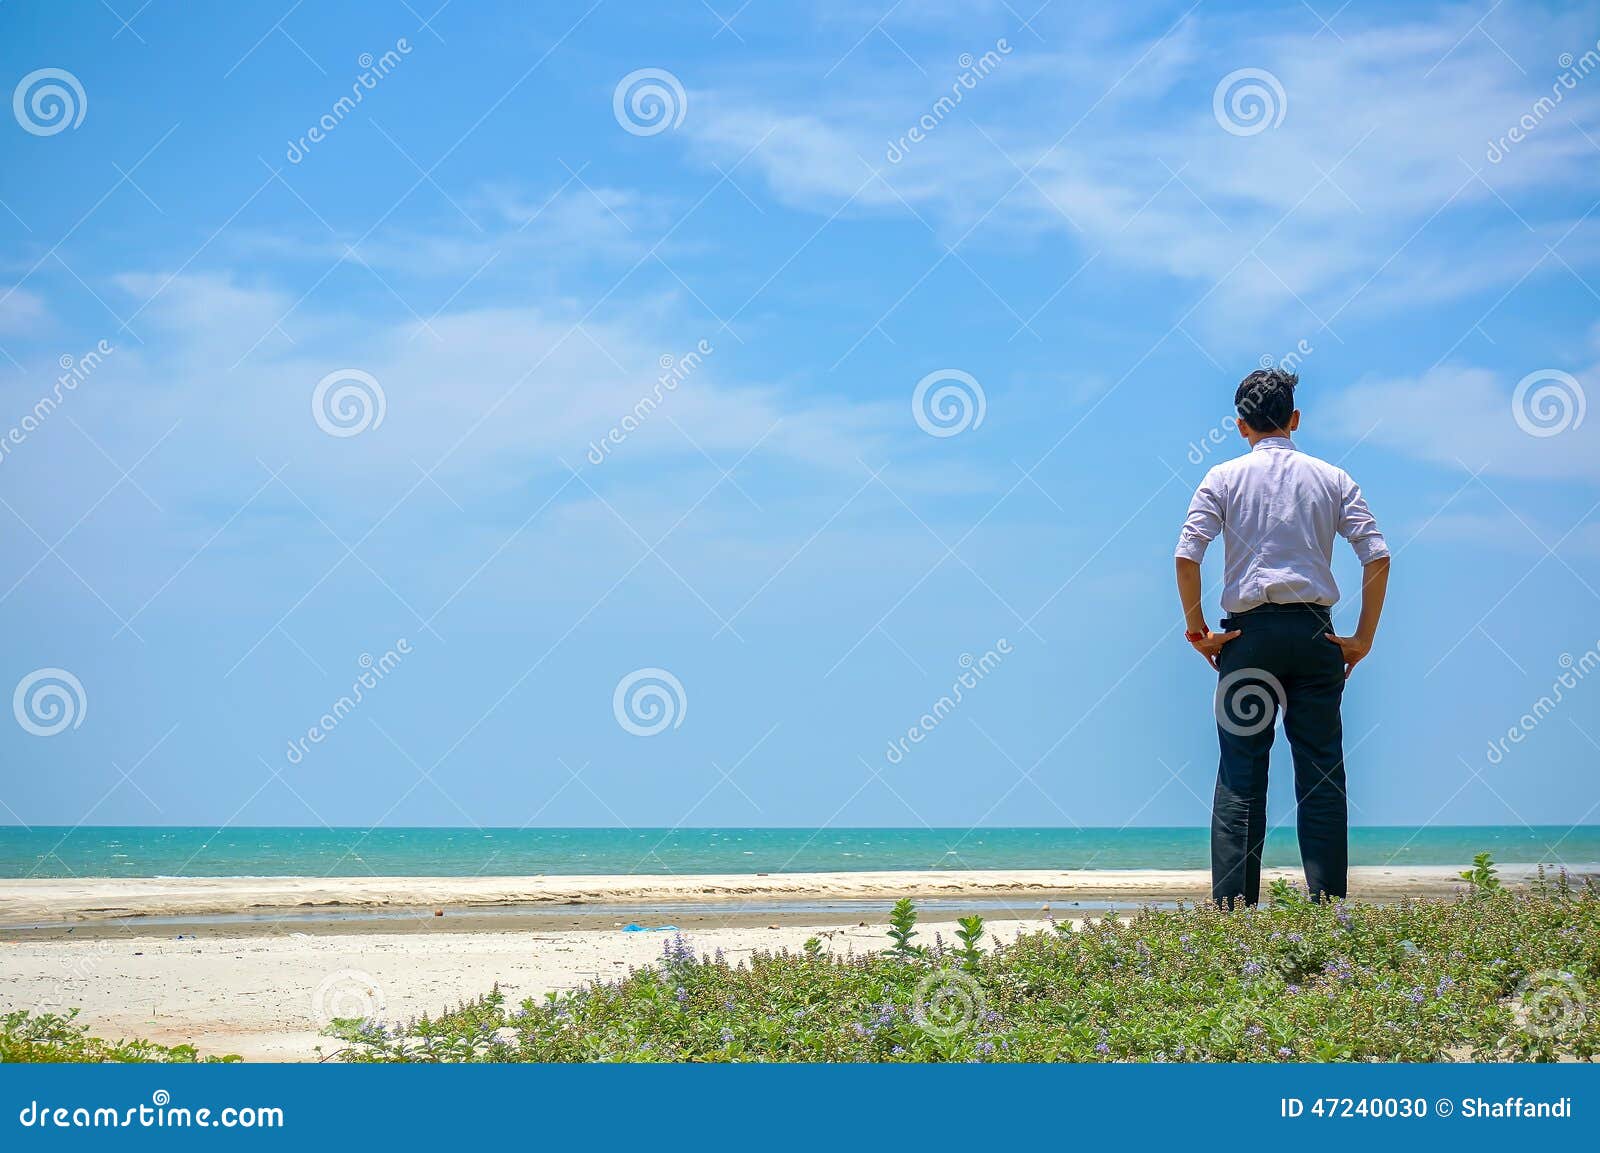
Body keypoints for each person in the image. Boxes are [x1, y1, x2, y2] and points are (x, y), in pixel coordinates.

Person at [1174, 368, 1391, 906]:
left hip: (1247, 642)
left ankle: (1233, 921)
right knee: (1321, 775)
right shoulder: (1333, 478)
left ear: (1240, 424)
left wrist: (1199, 632)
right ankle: (1327, 912)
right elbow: (1377, 555)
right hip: (1317, 638)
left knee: (1240, 776)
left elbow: (1187, 554)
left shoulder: (1221, 478)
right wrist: (1362, 637)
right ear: (1294, 419)